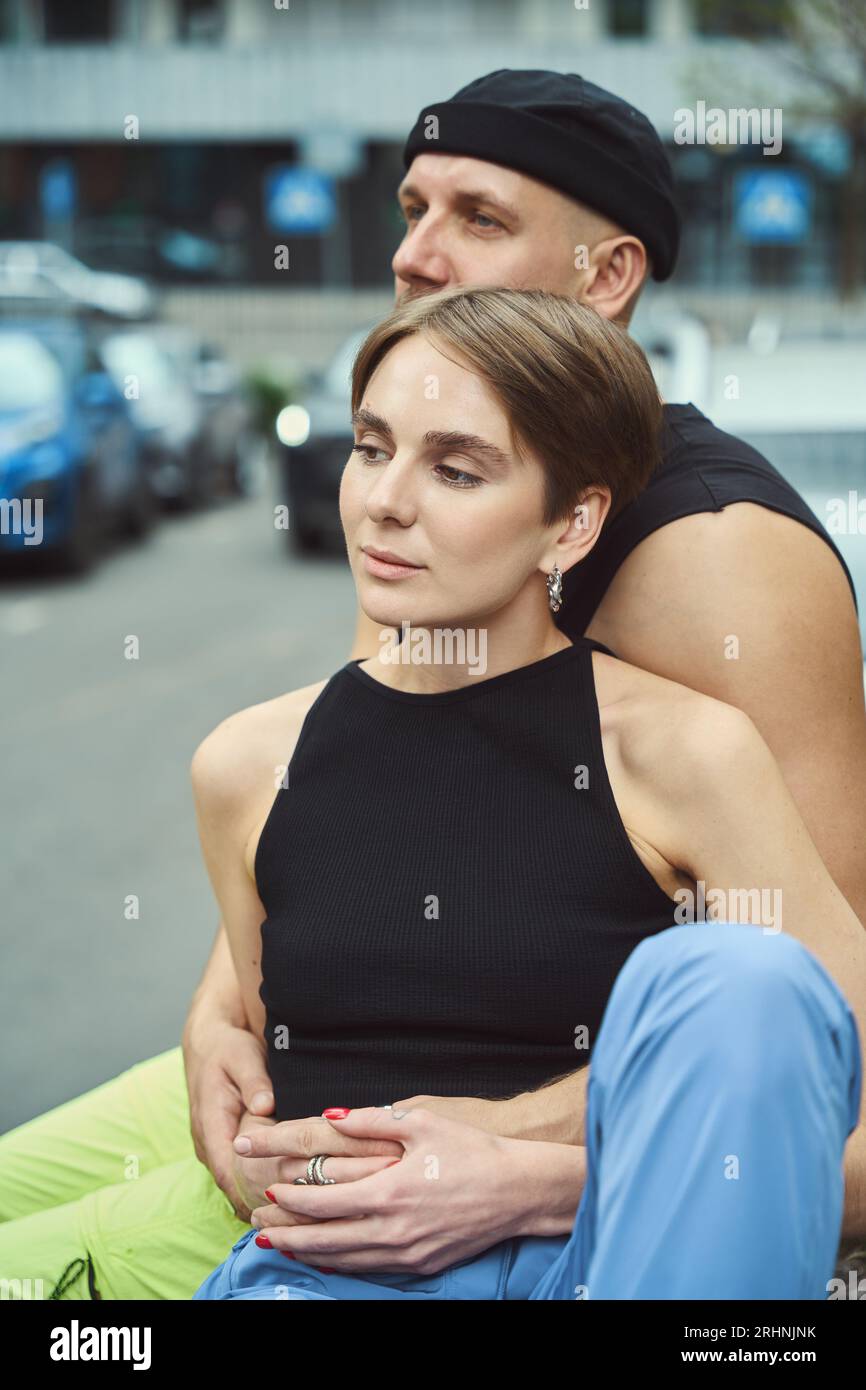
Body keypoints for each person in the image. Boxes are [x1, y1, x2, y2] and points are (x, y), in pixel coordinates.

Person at [1, 72, 863, 1302]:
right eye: (409, 207)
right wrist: (214, 1021)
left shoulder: (713, 560)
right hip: (324, 1084)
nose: (413, 253)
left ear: (604, 276)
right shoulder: (416, 521)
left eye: (478, 216)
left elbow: (801, 1038)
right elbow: (357, 813)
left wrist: (510, 1168)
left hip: (494, 1149)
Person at [189, 286, 864, 1300]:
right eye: (371, 447)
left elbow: (835, 1065)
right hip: (335, 1280)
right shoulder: (245, 765)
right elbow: (260, 1107)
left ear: (571, 524)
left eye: (455, 468)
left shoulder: (682, 751)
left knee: (748, 978)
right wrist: (260, 1150)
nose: (385, 500)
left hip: (620, 1258)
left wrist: (537, 1183)